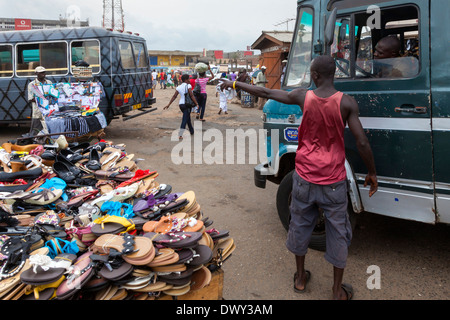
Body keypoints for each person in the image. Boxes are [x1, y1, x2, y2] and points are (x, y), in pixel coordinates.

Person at [220, 55, 378, 300]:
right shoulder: (346, 103)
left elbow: (265, 91)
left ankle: (301, 278)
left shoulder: (303, 97)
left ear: (315, 76)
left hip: (303, 177)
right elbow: (362, 142)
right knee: (338, 232)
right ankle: (337, 291)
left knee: (300, 224)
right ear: (333, 74)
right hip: (333, 181)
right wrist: (372, 172)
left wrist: (234, 84)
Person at [164, 74, 199, 140]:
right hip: (187, 104)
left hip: (181, 105)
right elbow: (191, 96)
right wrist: (196, 103)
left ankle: (192, 131)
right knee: (185, 119)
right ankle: (180, 134)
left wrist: (169, 104)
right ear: (186, 80)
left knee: (187, 117)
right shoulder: (188, 86)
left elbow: (174, 96)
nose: (189, 80)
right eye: (188, 79)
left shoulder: (179, 87)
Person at [27, 66, 52, 134]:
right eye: (41, 73)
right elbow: (30, 98)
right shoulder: (32, 84)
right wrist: (41, 100)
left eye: (44, 72)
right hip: (38, 111)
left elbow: (52, 94)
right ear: (36, 73)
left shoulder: (49, 82)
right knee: (36, 129)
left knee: (48, 128)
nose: (43, 74)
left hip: (48, 110)